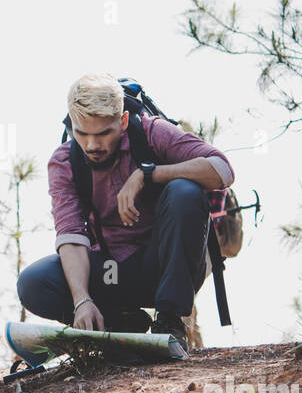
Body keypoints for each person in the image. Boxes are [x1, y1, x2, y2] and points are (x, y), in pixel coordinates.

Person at [15, 73, 235, 364]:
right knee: (34, 282)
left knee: (185, 191)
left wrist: (149, 174)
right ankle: (120, 323)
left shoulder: (152, 133)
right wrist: (81, 299)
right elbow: (71, 235)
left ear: (122, 121)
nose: (92, 144)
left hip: (160, 269)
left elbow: (222, 170)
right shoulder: (65, 161)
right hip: (110, 272)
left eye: (103, 133)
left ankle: (169, 322)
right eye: (82, 134)